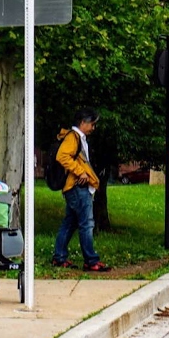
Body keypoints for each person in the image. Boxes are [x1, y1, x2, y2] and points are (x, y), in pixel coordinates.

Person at [52, 108, 110, 272]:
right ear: (83, 122)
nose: (93, 127)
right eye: (92, 124)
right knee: (86, 224)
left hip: (75, 187)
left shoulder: (78, 138)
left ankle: (59, 257)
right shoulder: (73, 137)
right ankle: (91, 261)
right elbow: (62, 156)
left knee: (70, 223)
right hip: (77, 187)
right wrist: (80, 171)